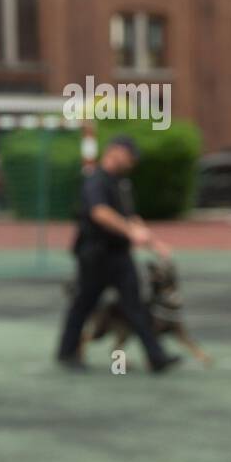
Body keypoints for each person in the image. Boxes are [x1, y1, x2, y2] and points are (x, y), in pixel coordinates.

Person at [56, 136, 179, 373]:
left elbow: (131, 219)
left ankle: (156, 357)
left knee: (135, 304)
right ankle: (67, 352)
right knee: (84, 303)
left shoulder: (121, 184)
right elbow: (100, 213)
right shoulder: (96, 181)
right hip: (95, 254)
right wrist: (130, 233)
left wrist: (154, 243)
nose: (132, 163)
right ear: (116, 152)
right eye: (130, 157)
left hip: (118, 254)